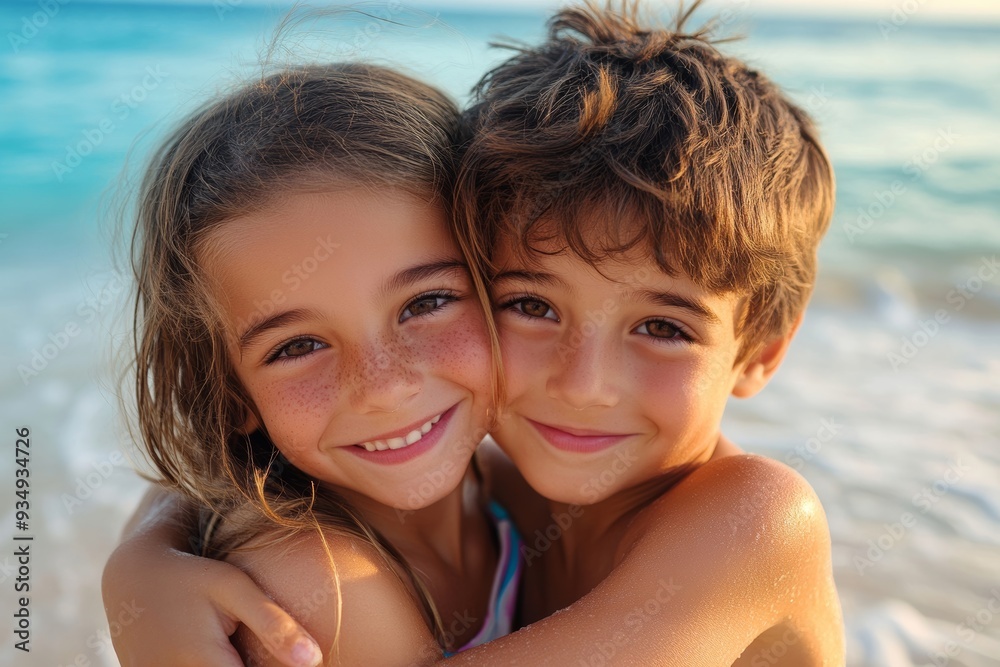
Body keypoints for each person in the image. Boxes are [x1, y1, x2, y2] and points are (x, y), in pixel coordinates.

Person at [105, 2, 845, 664]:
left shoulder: (757, 522)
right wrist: (147, 552)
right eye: (533, 306)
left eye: (662, 327)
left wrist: (141, 564)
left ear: (763, 350)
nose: (583, 384)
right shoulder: (500, 489)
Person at [109, 61, 523, 667]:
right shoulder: (316, 591)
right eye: (298, 346)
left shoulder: (505, 472)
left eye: (426, 303)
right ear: (232, 397)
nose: (384, 387)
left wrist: (144, 551)